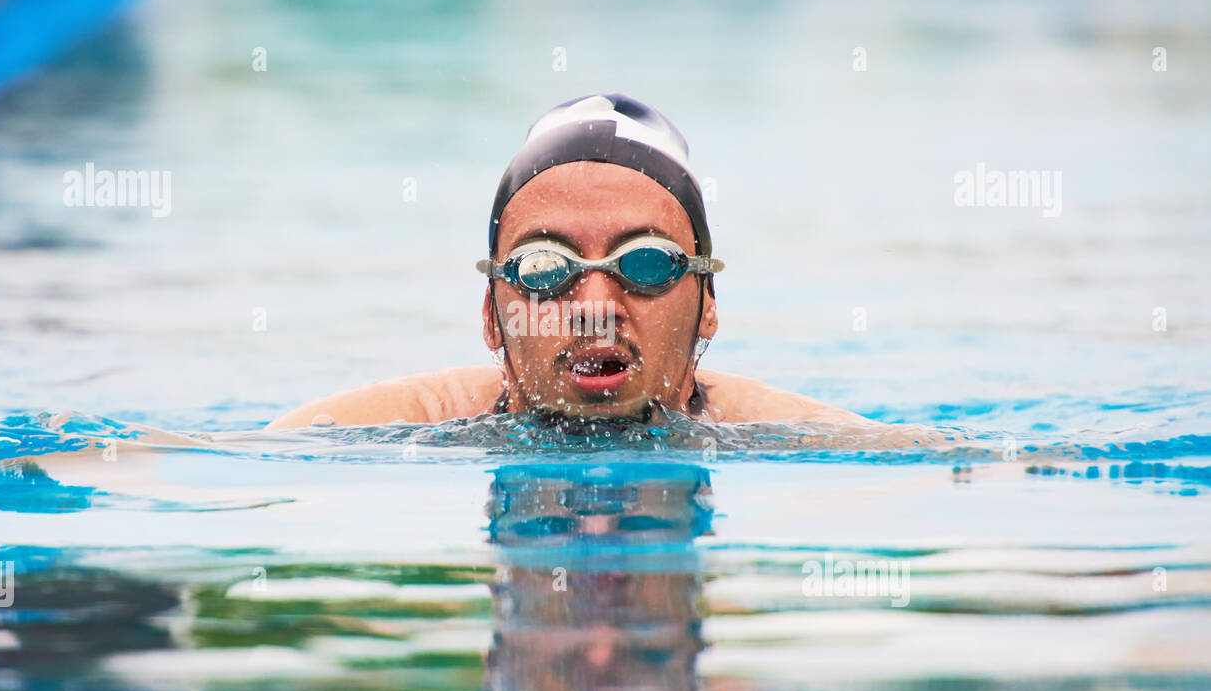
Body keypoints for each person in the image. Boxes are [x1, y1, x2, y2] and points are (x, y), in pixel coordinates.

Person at [268, 93, 926, 439]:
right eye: (545, 267)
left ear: (709, 304)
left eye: (644, 262)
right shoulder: (415, 423)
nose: (595, 304)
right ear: (492, 316)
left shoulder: (781, 434)